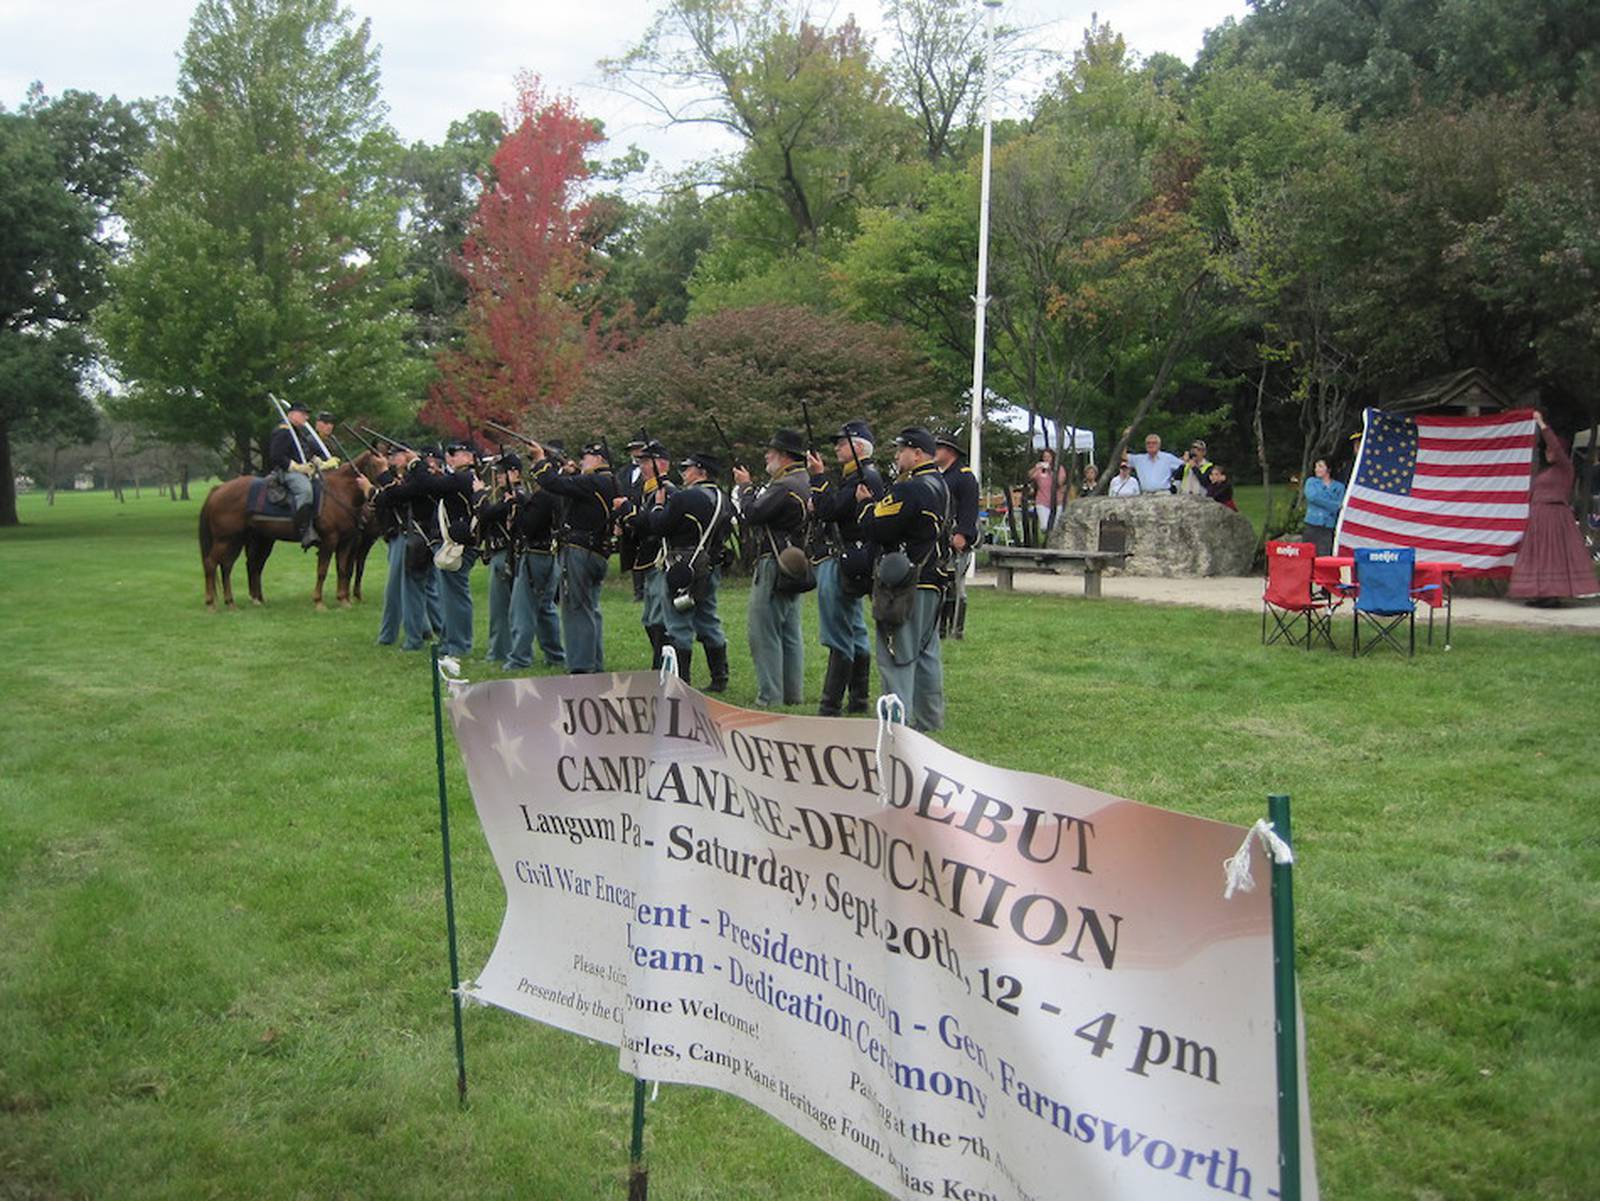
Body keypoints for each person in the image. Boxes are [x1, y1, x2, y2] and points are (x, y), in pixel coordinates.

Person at [858, 427, 950, 733]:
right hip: (933, 577)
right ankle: (930, 720)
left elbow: (876, 527)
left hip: (908, 583)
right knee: (926, 653)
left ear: (918, 453)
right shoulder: (941, 485)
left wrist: (864, 507)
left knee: (896, 654)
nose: (897, 457)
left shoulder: (910, 489)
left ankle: (896, 727)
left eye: (901, 451)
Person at [634, 451, 732, 687]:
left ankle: (682, 680)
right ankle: (719, 678)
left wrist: (657, 506)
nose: (684, 473)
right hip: (709, 565)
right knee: (708, 619)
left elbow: (659, 526)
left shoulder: (684, 498)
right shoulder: (723, 497)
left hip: (682, 566)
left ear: (701, 471)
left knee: (678, 623)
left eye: (687, 469)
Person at [807, 421, 884, 715]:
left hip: (843, 559)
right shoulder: (860, 476)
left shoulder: (861, 478)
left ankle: (831, 705)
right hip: (853, 559)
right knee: (854, 629)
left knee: (838, 632)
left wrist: (818, 479)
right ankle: (858, 699)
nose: (837, 447)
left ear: (859, 446)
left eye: (843, 442)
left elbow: (829, 510)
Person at [733, 429, 811, 707]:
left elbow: (753, 513)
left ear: (783, 456)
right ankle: (792, 695)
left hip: (774, 561)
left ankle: (769, 696)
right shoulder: (804, 480)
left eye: (771, 452)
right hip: (794, 559)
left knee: (762, 631)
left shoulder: (785, 485)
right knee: (790, 633)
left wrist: (744, 487)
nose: (767, 455)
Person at [526, 439, 618, 673]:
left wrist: (539, 460)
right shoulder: (609, 481)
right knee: (590, 609)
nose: (581, 461)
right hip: (598, 551)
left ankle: (581, 667)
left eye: (586, 457)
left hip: (581, 551)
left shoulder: (593, 481)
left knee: (576, 610)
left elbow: (551, 482)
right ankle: (593, 664)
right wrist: (573, 472)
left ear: (598, 459)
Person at [1510, 412, 1598, 606]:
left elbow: (1556, 448)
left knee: (1553, 554)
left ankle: (1554, 594)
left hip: (1555, 515)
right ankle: (1542, 593)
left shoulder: (1565, 468)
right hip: (1539, 517)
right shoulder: (1546, 472)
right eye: (1547, 449)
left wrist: (1541, 424)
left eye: (1551, 449)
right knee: (1540, 554)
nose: (1549, 452)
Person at [501, 443, 566, 670]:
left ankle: (520, 658)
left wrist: (515, 508)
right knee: (545, 608)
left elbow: (528, 526)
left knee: (523, 609)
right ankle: (555, 655)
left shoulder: (544, 496)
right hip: (551, 554)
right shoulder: (559, 493)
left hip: (536, 554)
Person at [615, 440, 675, 668]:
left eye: (646, 461)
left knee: (660, 619)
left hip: (661, 559)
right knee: (650, 619)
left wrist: (630, 512)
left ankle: (663, 666)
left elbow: (655, 524)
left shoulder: (667, 491)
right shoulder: (647, 491)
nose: (641, 466)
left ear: (660, 463)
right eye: (640, 461)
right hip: (647, 560)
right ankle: (658, 663)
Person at [430, 440, 484, 657]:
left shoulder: (465, 477)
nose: (454, 456)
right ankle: (449, 640)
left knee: (456, 596)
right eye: (452, 453)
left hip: (461, 544)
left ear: (470, 457)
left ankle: (459, 644)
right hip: (455, 542)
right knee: (448, 595)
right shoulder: (460, 477)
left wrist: (417, 465)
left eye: (459, 453)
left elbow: (433, 486)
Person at [372, 444, 424, 648]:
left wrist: (383, 474)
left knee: (402, 590)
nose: (393, 458)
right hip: (401, 536)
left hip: (411, 537)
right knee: (404, 590)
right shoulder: (405, 479)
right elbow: (385, 499)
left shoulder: (417, 479)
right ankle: (414, 632)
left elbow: (395, 496)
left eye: (398, 454)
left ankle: (409, 637)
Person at [266, 401, 334, 548]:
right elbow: (276, 456)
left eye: (307, 415)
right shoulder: (283, 430)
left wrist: (320, 463)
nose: (306, 418)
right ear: (291, 414)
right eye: (303, 414)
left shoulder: (298, 432)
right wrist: (297, 467)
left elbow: (306, 453)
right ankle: (304, 529)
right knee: (305, 490)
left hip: (301, 471)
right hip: (286, 472)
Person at [477, 454, 522, 665]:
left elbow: (487, 514)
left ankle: (500, 651)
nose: (499, 477)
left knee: (501, 607)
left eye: (504, 472)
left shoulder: (517, 496)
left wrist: (479, 495)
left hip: (506, 553)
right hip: (503, 553)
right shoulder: (507, 495)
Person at [934, 431, 979, 640]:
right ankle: (941, 629)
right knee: (944, 584)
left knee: (957, 588)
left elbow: (969, 509)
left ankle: (956, 631)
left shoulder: (963, 476)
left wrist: (963, 533)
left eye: (938, 448)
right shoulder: (942, 475)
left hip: (957, 538)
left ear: (949, 451)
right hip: (943, 538)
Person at [1302, 458, 1345, 557]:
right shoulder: (1311, 482)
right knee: (1308, 555)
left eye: (1320, 466)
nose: (1317, 469)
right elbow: (1312, 498)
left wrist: (1335, 505)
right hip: (1312, 524)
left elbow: (1340, 505)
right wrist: (1333, 505)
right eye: (1316, 467)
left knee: (1324, 555)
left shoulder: (1339, 487)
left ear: (1328, 469)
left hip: (1327, 526)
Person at [1027, 448, 1067, 540]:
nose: (1046, 459)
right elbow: (1029, 476)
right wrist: (1036, 468)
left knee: (1055, 527)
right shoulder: (1040, 469)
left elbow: (1059, 483)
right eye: (1044, 457)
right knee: (1044, 526)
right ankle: (1048, 539)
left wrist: (1050, 471)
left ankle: (1052, 544)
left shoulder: (1059, 468)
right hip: (1042, 500)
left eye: (1049, 457)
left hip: (1056, 501)